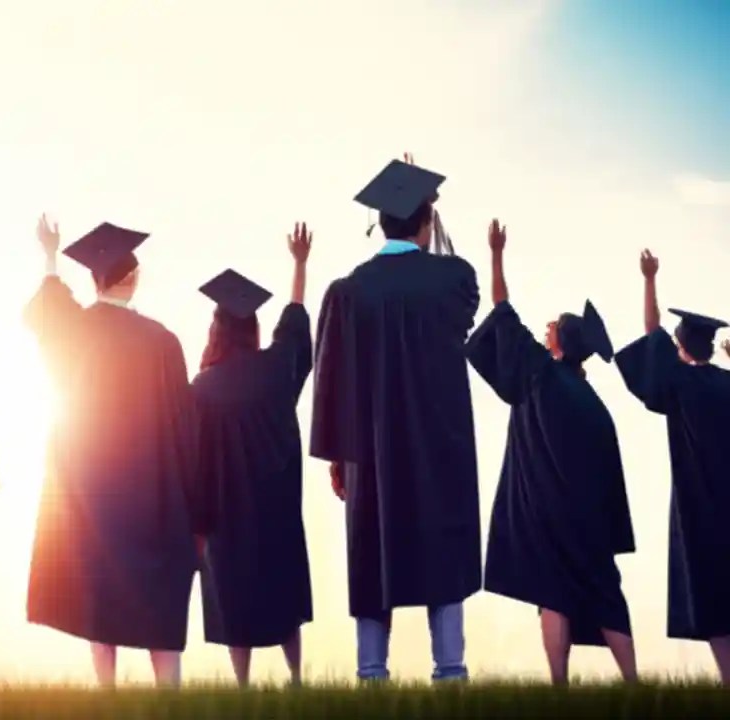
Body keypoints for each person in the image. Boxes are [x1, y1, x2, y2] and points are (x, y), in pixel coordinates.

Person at [310, 158, 480, 682]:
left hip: (370, 450)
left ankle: (371, 670)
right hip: (438, 449)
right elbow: (467, 301)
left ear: (380, 223)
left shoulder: (347, 292)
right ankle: (450, 669)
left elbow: (329, 379)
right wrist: (431, 211)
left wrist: (337, 456)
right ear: (426, 223)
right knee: (442, 550)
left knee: (372, 553)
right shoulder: (452, 279)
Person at [24, 215, 199, 688]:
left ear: (96, 280)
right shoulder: (162, 342)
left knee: (101, 597)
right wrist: (197, 509)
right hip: (154, 495)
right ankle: (170, 697)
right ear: (133, 278)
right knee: (158, 599)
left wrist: (50, 254)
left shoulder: (77, 329)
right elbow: (186, 430)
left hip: (93, 493)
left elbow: (43, 314)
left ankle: (107, 697)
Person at [466, 220, 637, 685]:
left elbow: (503, 313)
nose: (545, 329)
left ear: (562, 342)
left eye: (552, 327)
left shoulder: (542, 374)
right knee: (605, 593)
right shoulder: (591, 400)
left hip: (548, 513)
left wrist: (496, 252)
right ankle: (634, 683)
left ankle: (559, 686)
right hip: (590, 521)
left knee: (553, 593)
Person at [190, 224, 314, 687]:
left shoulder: (202, 389)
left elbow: (194, 457)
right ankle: (296, 676)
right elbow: (296, 326)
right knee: (281, 591)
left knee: (234, 595)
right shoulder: (276, 370)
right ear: (253, 327)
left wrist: (195, 523)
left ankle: (241, 686)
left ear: (217, 330)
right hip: (276, 505)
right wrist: (299, 264)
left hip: (226, 512)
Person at [614, 249, 730, 684]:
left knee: (714, 601)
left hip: (700, 507)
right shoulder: (725, 385)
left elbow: (651, 332)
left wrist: (649, 279)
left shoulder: (682, 384)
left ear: (681, 346)